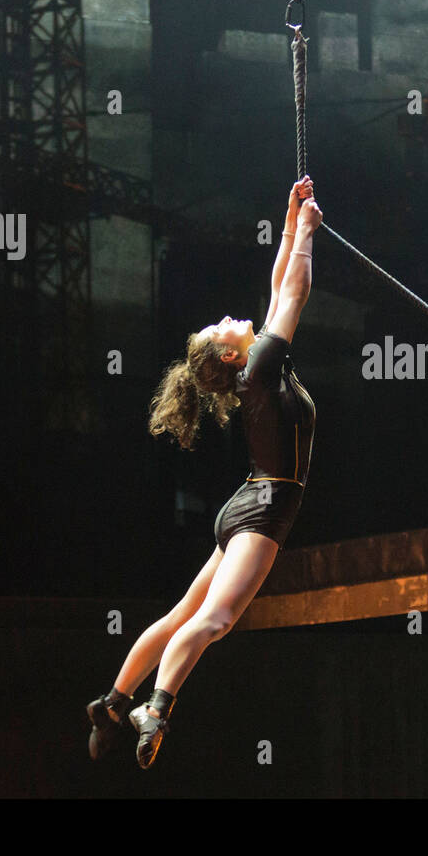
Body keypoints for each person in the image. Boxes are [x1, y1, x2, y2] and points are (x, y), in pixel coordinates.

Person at [87, 176, 321, 769]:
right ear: (229, 354)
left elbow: (278, 293)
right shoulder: (261, 365)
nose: (227, 317)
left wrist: (292, 218)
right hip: (263, 507)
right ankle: (155, 708)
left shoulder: (258, 365)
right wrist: (308, 239)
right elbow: (293, 293)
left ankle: (114, 701)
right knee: (213, 620)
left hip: (248, 503)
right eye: (221, 328)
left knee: (182, 618)